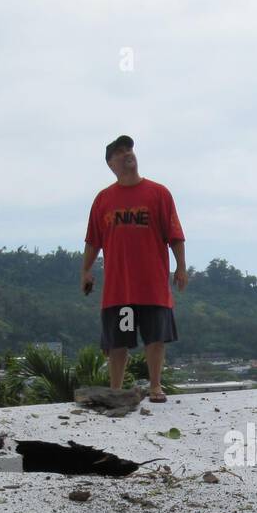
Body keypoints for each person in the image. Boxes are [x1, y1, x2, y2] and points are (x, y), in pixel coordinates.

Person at [81, 135, 186, 403]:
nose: (127, 153)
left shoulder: (159, 193)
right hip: (119, 288)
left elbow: (174, 234)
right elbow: (93, 240)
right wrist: (86, 270)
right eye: (119, 151)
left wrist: (181, 267)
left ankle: (155, 387)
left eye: (129, 149)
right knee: (118, 342)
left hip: (152, 285)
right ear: (110, 164)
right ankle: (116, 389)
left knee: (155, 338)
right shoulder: (103, 199)